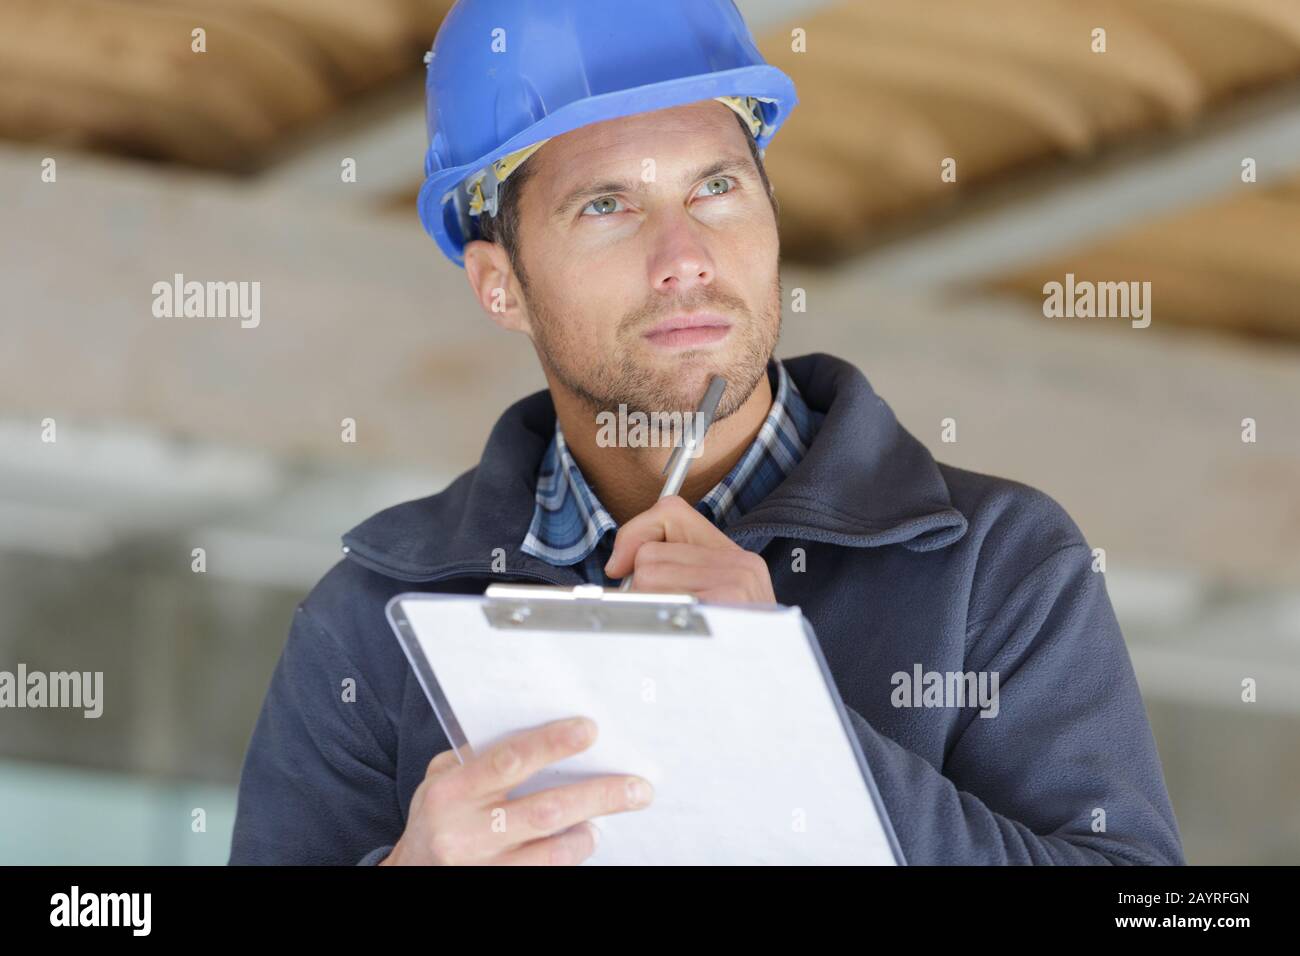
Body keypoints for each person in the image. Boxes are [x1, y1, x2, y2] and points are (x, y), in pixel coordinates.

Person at [229, 0, 1184, 866]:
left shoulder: (997, 564)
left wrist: (782, 708)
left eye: (716, 187)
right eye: (606, 205)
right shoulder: (367, 620)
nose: (685, 258)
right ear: (500, 285)